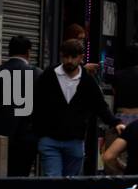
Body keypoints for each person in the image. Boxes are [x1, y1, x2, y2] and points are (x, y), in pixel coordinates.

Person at [32, 38, 124, 176]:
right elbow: (36, 103)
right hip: (50, 140)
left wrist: (115, 123)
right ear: (61, 56)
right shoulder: (49, 75)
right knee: (52, 179)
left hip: (74, 141)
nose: (69, 61)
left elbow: (100, 106)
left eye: (73, 57)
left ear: (81, 58)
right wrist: (37, 131)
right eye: (66, 56)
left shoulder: (87, 81)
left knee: (71, 182)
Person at [0, 35, 38, 177]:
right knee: (19, 180)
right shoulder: (36, 74)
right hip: (25, 140)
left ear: (9, 51)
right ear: (28, 52)